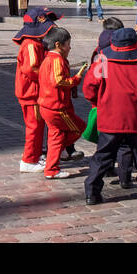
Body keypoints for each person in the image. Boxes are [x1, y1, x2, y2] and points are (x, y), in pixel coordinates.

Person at [82, 27, 137, 204]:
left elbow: (88, 89)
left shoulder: (102, 65)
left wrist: (99, 101)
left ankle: (92, 192)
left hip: (109, 118)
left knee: (102, 157)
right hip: (134, 119)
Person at [37, 26, 88, 179]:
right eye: (68, 44)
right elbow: (58, 81)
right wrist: (76, 79)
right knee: (79, 128)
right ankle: (58, 153)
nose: (70, 47)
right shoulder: (57, 59)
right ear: (58, 45)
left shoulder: (48, 58)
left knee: (55, 135)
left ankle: (51, 169)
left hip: (46, 105)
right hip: (57, 108)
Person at [14, 16, 54, 172]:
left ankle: (35, 156)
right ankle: (29, 160)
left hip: (33, 91)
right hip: (31, 92)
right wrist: (48, 78)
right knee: (34, 127)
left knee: (38, 126)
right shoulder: (31, 44)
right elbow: (31, 69)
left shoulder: (34, 43)